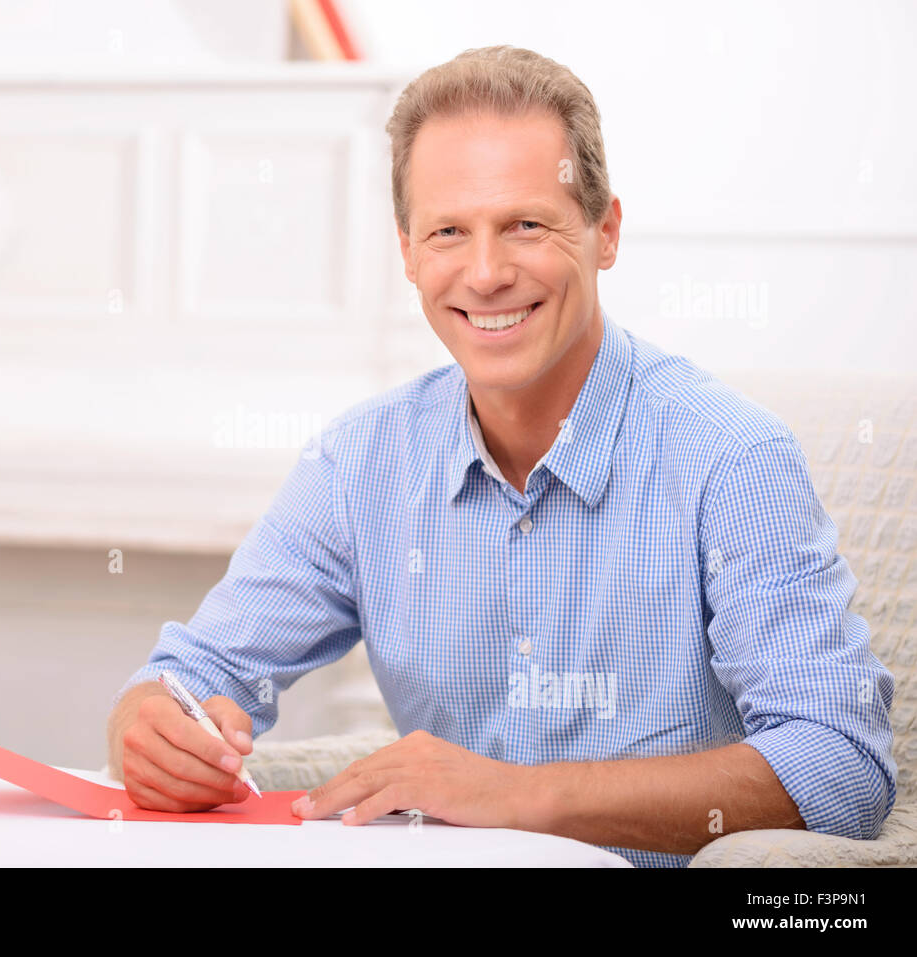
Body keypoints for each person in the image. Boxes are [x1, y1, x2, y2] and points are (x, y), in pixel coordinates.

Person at [106, 45, 896, 867]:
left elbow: (841, 767)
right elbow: (190, 677)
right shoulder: (358, 464)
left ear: (605, 232)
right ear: (409, 251)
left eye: (526, 224)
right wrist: (150, 728)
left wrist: (522, 797)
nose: (485, 274)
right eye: (449, 231)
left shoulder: (731, 459)